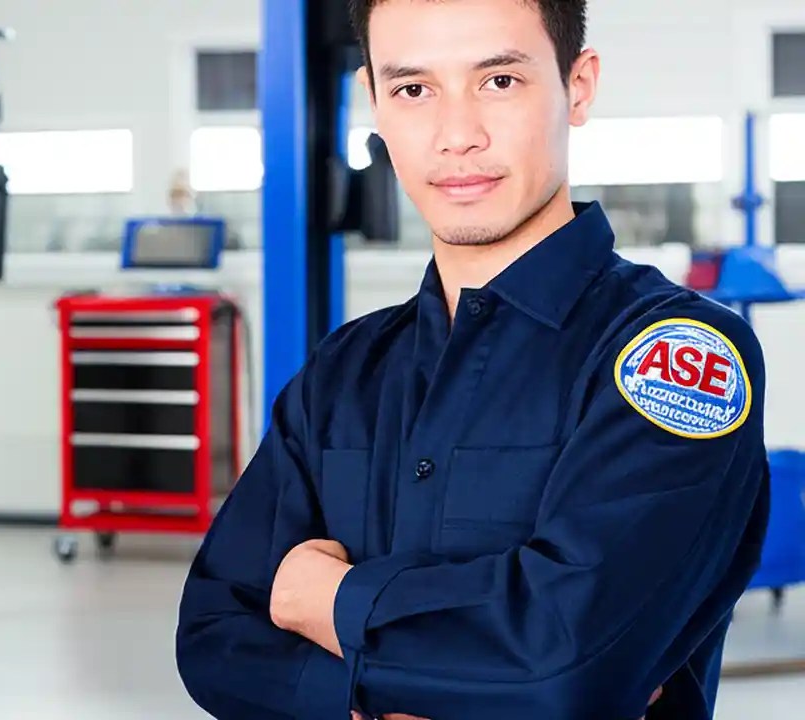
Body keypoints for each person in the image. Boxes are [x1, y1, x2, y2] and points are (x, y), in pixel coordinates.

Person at [174, 0, 771, 718]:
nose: (456, 136)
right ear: (374, 102)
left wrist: (327, 601)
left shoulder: (673, 355)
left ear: (576, 88)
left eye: (499, 82)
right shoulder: (344, 372)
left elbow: (563, 670)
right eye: (414, 90)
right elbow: (213, 633)